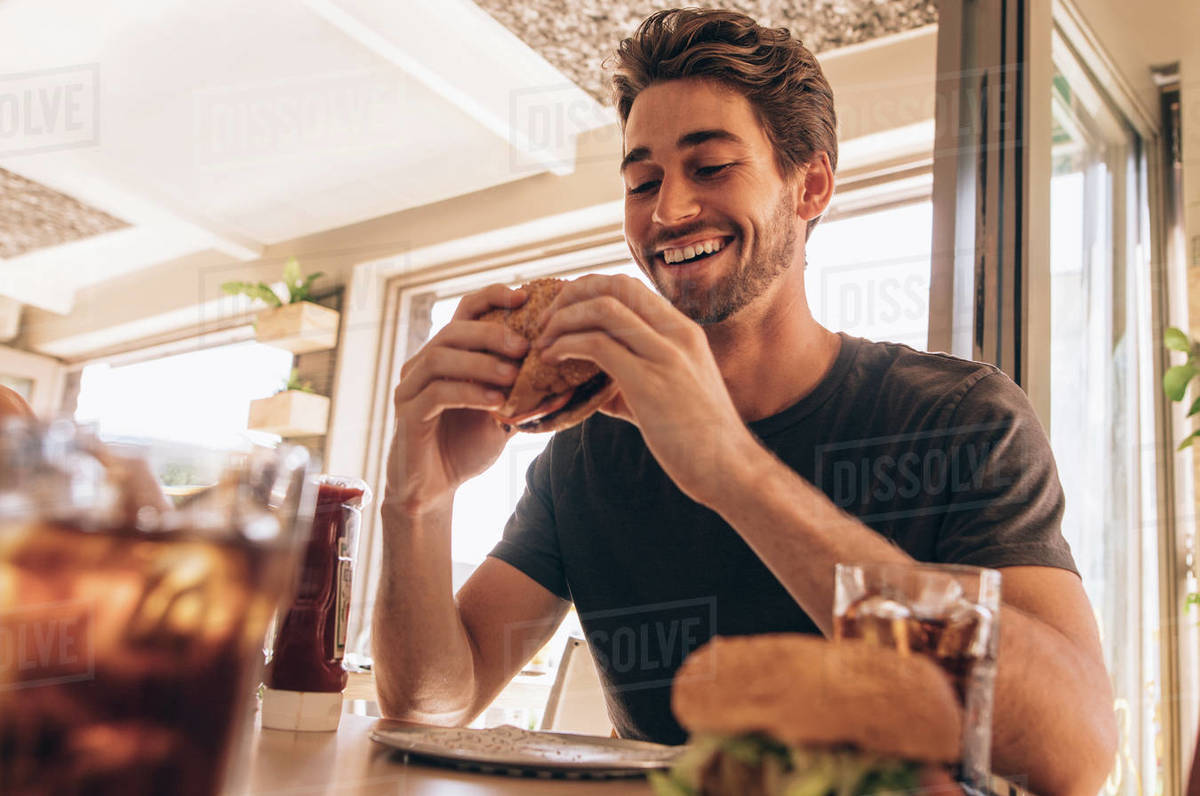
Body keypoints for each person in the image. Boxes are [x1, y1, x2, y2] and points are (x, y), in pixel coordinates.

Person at [373, 8, 1116, 794]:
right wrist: (417, 498)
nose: (668, 212)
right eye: (642, 182)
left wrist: (730, 468)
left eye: (712, 166)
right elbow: (433, 705)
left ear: (811, 186)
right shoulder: (585, 455)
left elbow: (1076, 751)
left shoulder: (961, 416)